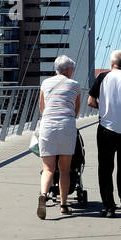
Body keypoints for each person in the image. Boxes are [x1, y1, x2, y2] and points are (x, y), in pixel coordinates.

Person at [87, 49, 121, 217]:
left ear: (112, 63)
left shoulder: (103, 77)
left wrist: (102, 108)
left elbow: (90, 101)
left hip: (105, 129)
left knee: (105, 168)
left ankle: (109, 207)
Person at [35, 55, 82, 219]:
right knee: (64, 169)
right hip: (66, 126)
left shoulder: (45, 83)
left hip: (47, 126)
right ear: (68, 70)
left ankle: (43, 195)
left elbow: (42, 108)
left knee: (48, 168)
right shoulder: (75, 85)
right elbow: (76, 111)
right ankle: (63, 205)